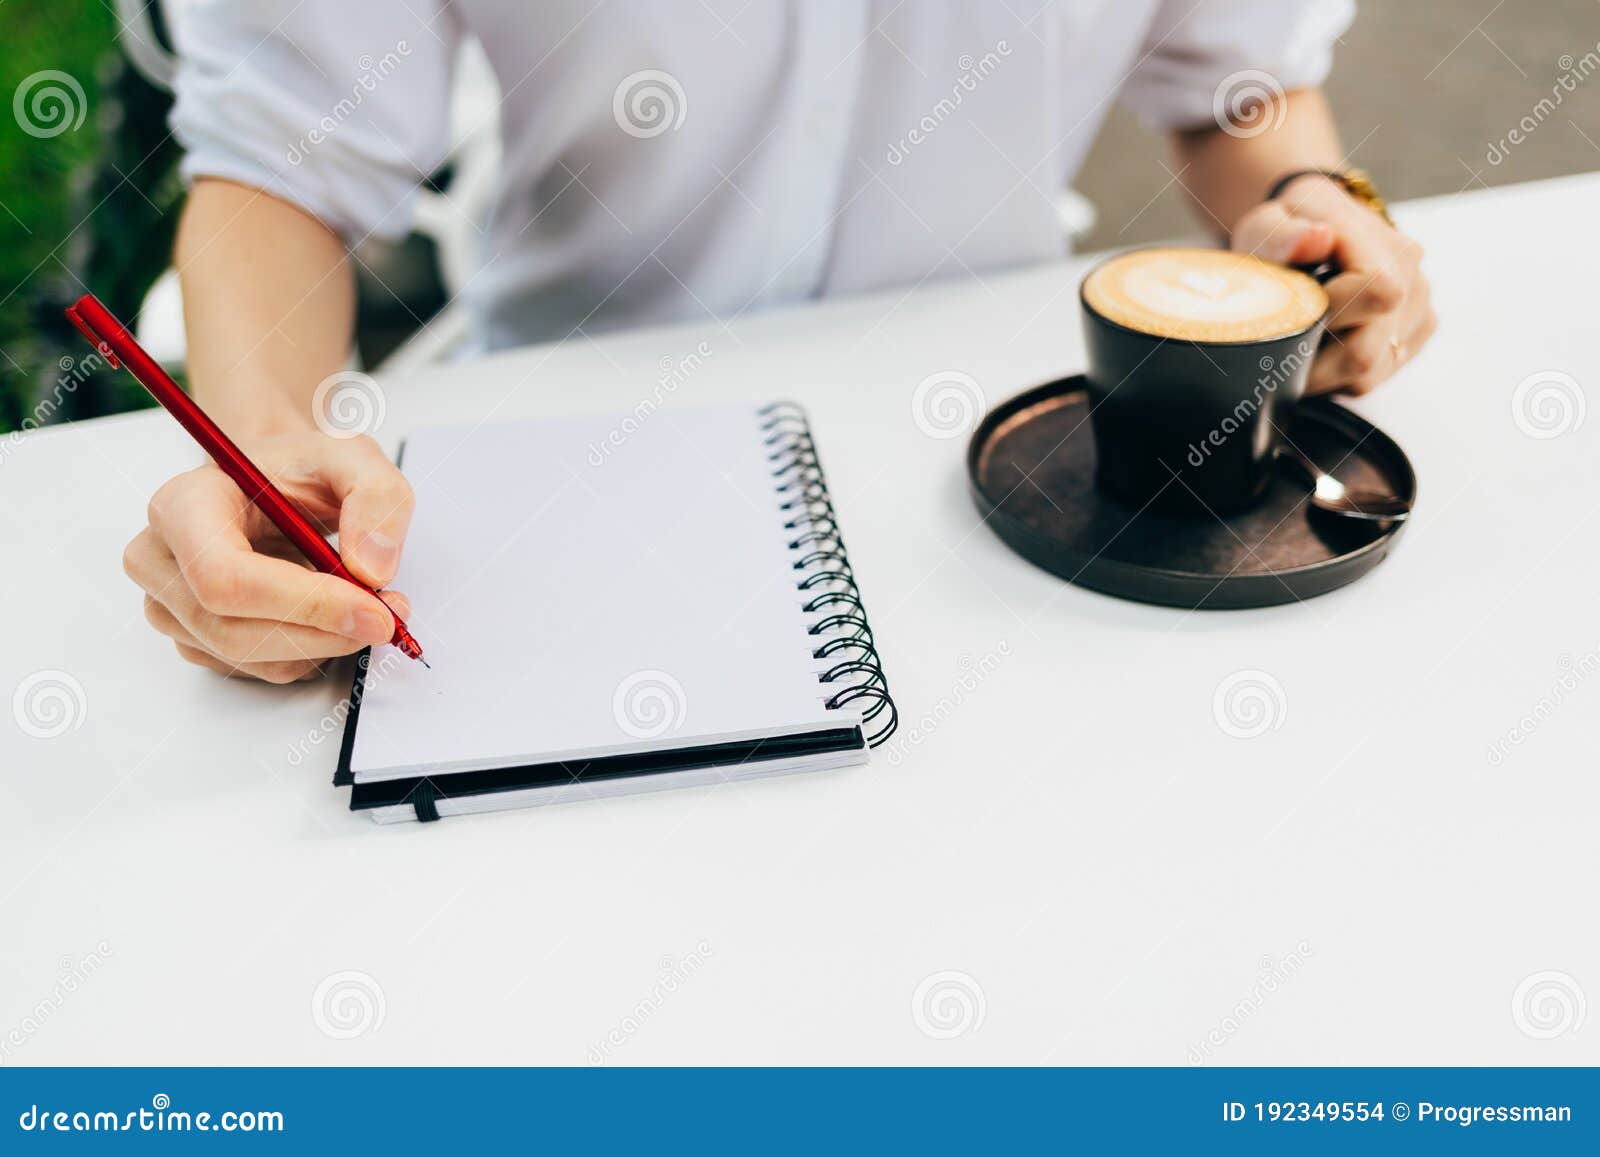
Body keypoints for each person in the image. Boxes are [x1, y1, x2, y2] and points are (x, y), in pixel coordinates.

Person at [125, 0, 1435, 682]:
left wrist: (1311, 206)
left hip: (1008, 457)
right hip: (567, 445)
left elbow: (1231, 85)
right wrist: (264, 450)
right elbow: (287, 162)